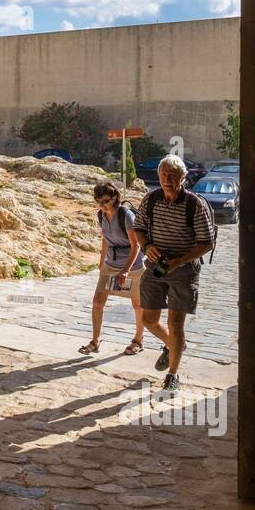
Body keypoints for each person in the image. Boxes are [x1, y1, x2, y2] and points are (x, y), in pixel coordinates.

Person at [134, 154, 216, 395]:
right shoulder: (150, 200)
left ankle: (172, 375)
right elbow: (138, 228)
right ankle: (173, 346)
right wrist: (147, 247)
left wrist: (178, 261)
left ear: (183, 178)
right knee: (148, 319)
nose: (167, 179)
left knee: (175, 323)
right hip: (156, 267)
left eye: (172, 176)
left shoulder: (194, 204)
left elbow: (206, 242)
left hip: (184, 270)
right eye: (163, 175)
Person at [79, 181, 146, 356]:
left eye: (106, 201)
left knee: (137, 305)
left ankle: (138, 340)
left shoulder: (125, 216)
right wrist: (102, 262)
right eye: (98, 201)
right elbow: (105, 238)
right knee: (97, 302)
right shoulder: (101, 215)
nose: (102, 205)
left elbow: (136, 246)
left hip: (132, 265)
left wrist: (125, 270)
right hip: (111, 264)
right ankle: (95, 341)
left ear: (115, 198)